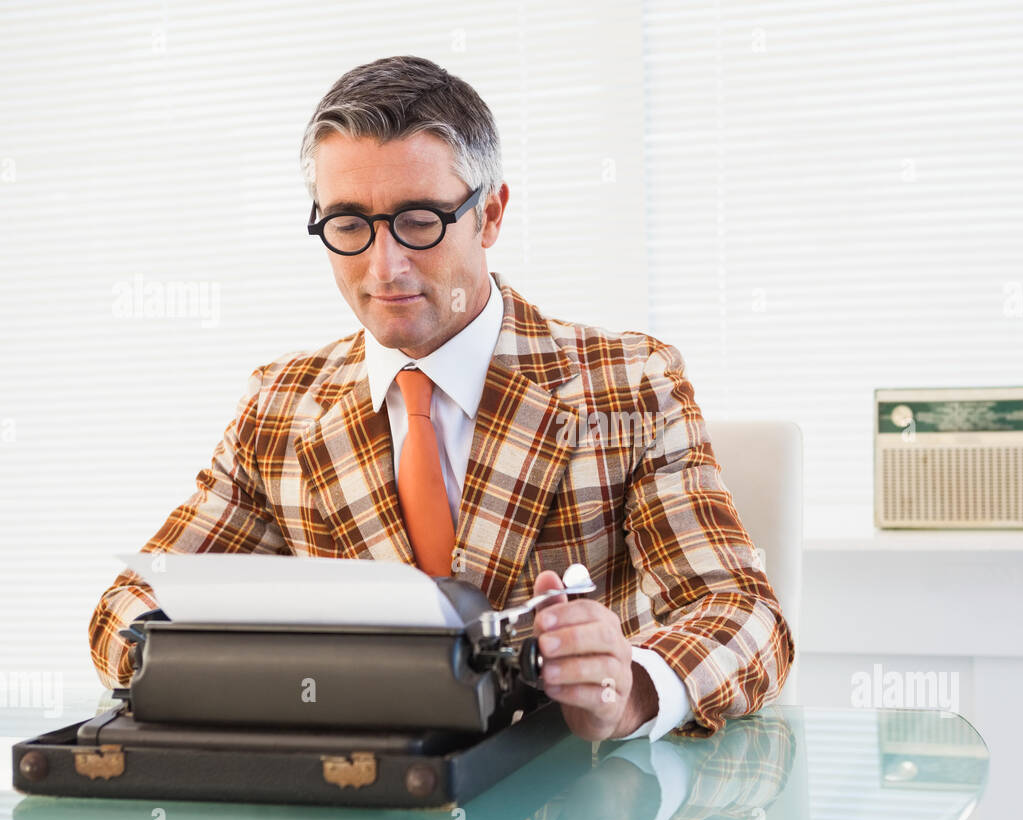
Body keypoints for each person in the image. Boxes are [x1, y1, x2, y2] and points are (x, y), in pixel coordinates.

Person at [87, 55, 793, 742]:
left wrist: (632, 689)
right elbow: (128, 608)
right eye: (348, 224)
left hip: (565, 811)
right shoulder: (279, 406)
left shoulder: (627, 382)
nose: (382, 266)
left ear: (489, 216)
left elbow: (742, 612)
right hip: (357, 811)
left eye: (419, 220)